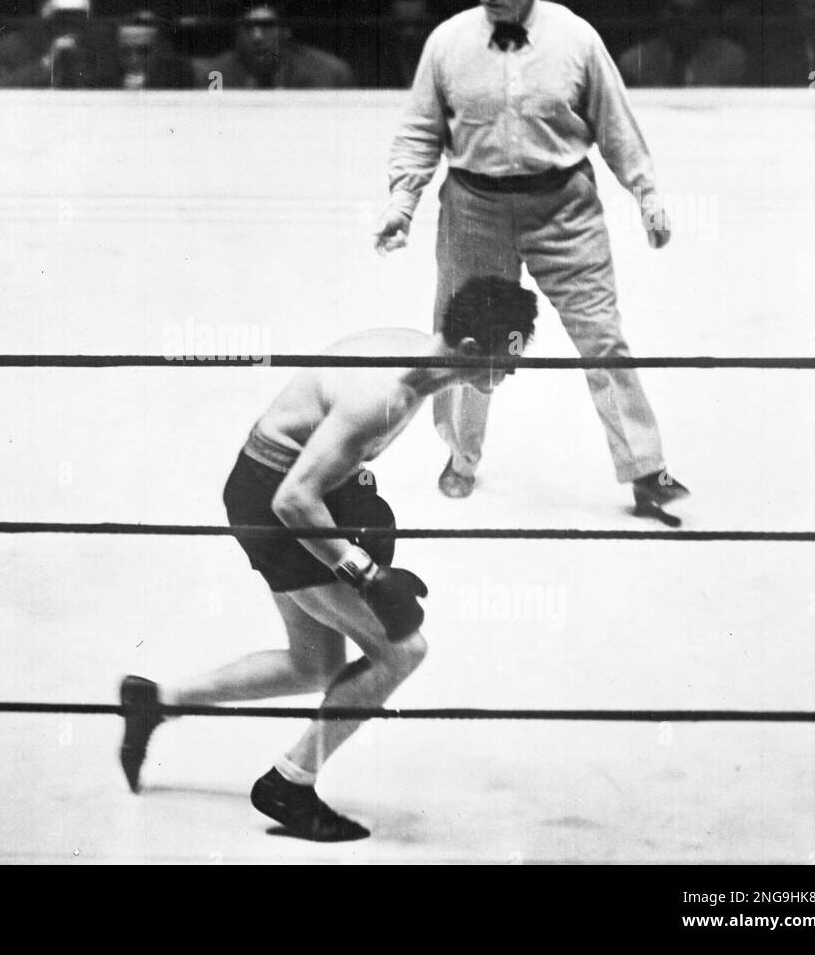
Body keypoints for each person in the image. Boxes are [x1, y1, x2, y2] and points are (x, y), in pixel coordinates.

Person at [119, 277, 539, 842]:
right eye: (505, 358)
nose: (511, 371)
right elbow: (293, 499)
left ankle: (154, 702)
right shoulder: (385, 394)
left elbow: (321, 465)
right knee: (401, 652)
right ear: (467, 351)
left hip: (274, 487)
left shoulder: (416, 353)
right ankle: (289, 784)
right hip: (277, 504)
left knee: (314, 665)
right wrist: (365, 574)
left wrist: (364, 547)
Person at [375, 0, 689, 519]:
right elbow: (419, 131)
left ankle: (647, 470)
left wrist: (647, 195)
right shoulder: (447, 43)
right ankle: (462, 457)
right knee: (466, 339)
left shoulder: (576, 39)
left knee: (602, 336)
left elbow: (616, 126)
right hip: (474, 208)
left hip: (564, 209)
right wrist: (401, 204)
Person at [617, 0, 748, 87]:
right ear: (661, 12)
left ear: (707, 15)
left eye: (694, 13)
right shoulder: (634, 63)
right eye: (676, 11)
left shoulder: (731, 60)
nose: (684, 20)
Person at [200, 3, 354, 89]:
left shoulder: (329, 73)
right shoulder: (215, 74)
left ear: (285, 32)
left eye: (266, 27)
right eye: (248, 28)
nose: (257, 37)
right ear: (236, 34)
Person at [113, 11, 195, 89]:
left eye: (143, 51)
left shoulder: (183, 80)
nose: (134, 60)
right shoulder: (107, 82)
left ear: (163, 50)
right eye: (125, 52)